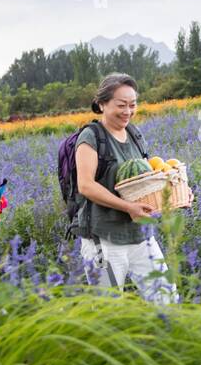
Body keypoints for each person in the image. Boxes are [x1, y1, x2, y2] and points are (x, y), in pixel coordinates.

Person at [73, 73, 179, 304]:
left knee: (167, 299)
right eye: (121, 105)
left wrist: (174, 190)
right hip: (104, 240)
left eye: (132, 105)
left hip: (140, 235)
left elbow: (147, 179)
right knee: (108, 309)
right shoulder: (91, 137)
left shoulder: (134, 134)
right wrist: (127, 207)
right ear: (102, 104)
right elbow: (86, 185)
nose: (128, 111)